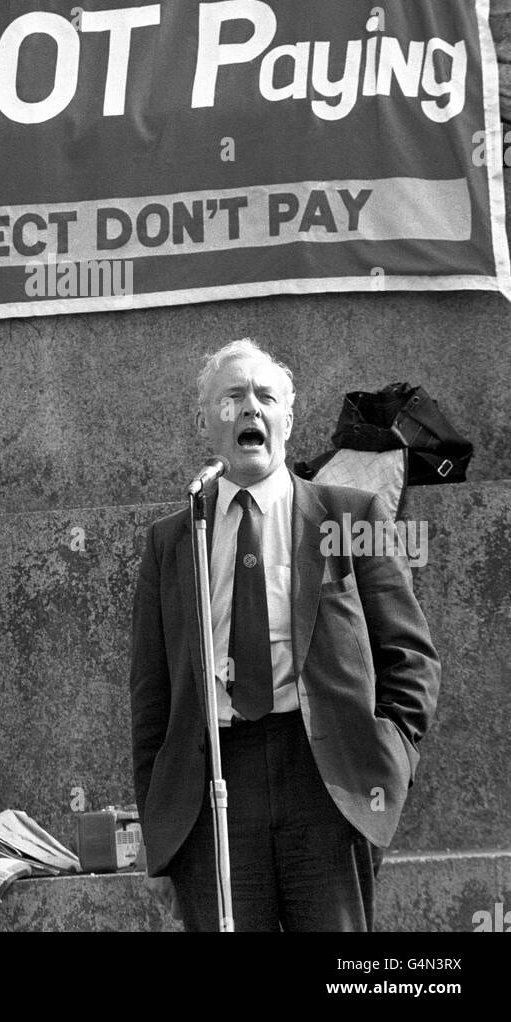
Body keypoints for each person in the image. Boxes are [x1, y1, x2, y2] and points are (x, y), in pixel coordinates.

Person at [130, 338, 440, 932]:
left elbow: (411, 657)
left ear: (288, 420)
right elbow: (151, 697)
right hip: (214, 783)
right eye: (233, 397)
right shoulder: (172, 541)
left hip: (325, 777)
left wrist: (387, 761)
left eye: (266, 397)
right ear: (205, 422)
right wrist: (161, 821)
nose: (251, 409)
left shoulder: (352, 517)